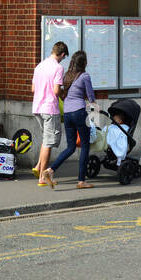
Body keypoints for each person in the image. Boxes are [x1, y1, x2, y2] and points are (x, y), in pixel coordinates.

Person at [49, 50, 95, 188]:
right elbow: (91, 96)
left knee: (71, 147)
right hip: (79, 112)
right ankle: (81, 181)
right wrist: (95, 111)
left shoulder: (67, 76)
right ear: (84, 63)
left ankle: (50, 170)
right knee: (85, 145)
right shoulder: (85, 76)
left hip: (68, 114)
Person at [32, 41, 67, 188]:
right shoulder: (58, 68)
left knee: (45, 139)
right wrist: (65, 95)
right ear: (63, 54)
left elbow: (33, 89)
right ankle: (42, 177)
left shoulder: (39, 66)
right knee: (48, 142)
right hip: (50, 108)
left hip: (37, 107)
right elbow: (56, 91)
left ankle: (39, 166)